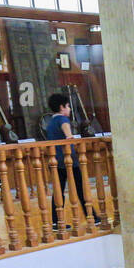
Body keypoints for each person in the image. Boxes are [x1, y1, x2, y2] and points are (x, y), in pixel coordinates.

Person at [45, 93, 101, 228]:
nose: (69, 109)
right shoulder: (63, 120)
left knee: (58, 192)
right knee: (81, 189)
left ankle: (56, 221)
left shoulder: (50, 123)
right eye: (68, 106)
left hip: (55, 161)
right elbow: (69, 137)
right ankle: (92, 216)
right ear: (61, 107)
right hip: (69, 161)